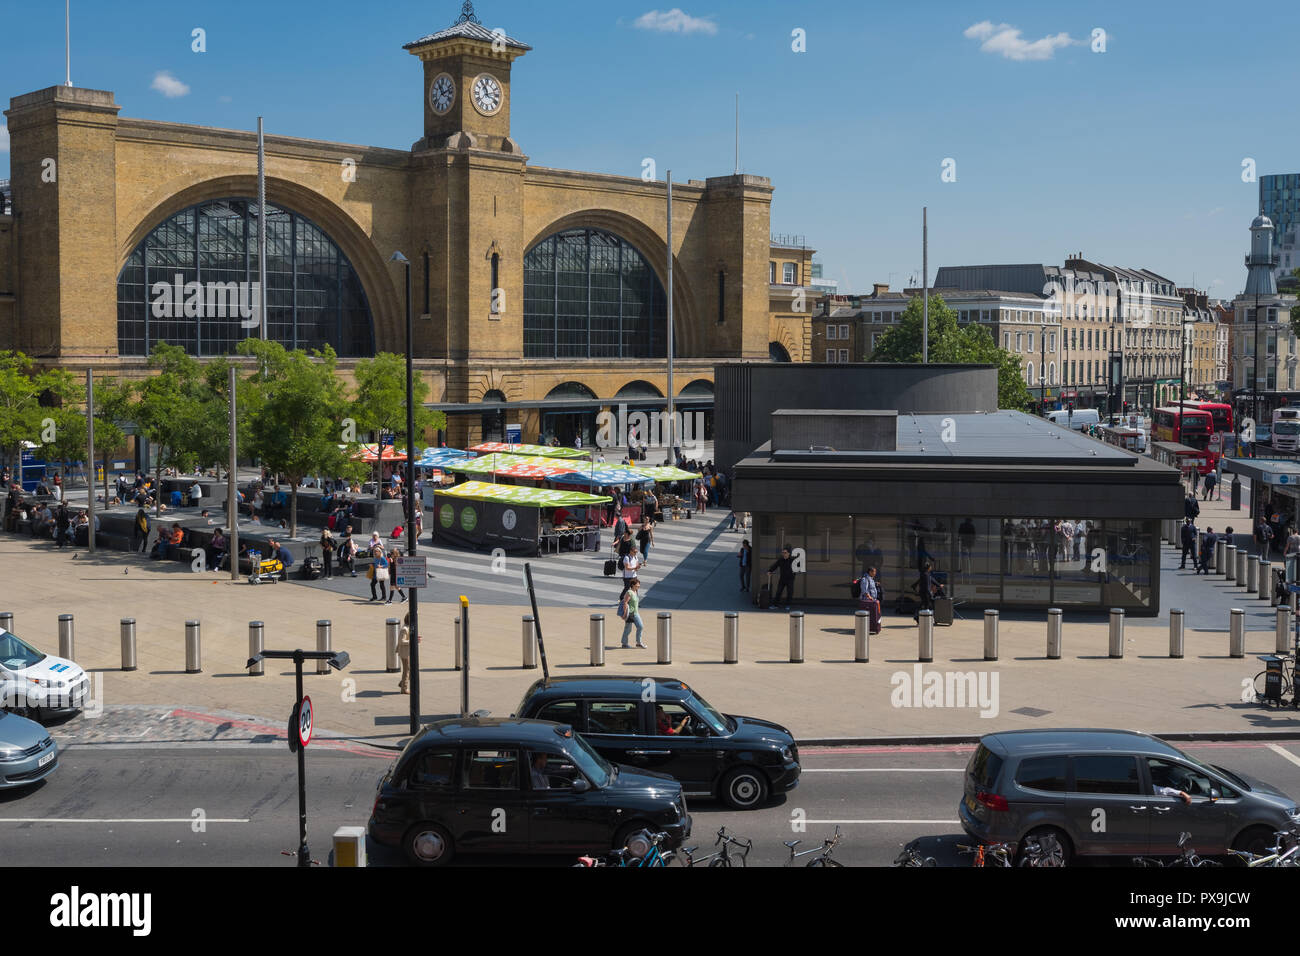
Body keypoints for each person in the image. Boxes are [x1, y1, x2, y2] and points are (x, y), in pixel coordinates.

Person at [618, 578, 645, 648]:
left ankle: (638, 642)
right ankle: (624, 643)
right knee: (628, 629)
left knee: (640, 626)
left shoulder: (635, 592)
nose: (638, 586)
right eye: (637, 585)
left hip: (636, 613)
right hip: (630, 613)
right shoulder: (629, 592)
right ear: (633, 585)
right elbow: (625, 603)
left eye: (639, 585)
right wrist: (624, 614)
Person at [767, 546, 796, 610]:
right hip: (782, 578)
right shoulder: (781, 560)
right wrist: (770, 571)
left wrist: (795, 571)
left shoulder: (792, 560)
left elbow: (798, 567)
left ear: (789, 553)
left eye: (785, 553)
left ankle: (788, 605)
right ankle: (775, 605)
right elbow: (775, 566)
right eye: (783, 553)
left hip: (790, 579)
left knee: (790, 592)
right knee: (778, 591)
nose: (783, 554)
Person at [396, 612, 416, 694]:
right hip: (404, 653)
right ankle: (404, 688)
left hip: (407, 652)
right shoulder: (405, 629)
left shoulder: (409, 627)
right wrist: (412, 641)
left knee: (410, 670)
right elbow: (401, 641)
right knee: (407, 670)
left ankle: (403, 683)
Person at [860, 566, 883, 634]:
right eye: (874, 571)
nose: (875, 573)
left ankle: (872, 627)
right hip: (867, 602)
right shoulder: (865, 579)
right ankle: (866, 628)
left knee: (873, 615)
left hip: (872, 601)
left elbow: (870, 587)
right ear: (870, 572)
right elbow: (864, 590)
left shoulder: (871, 579)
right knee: (867, 615)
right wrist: (870, 597)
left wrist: (876, 584)